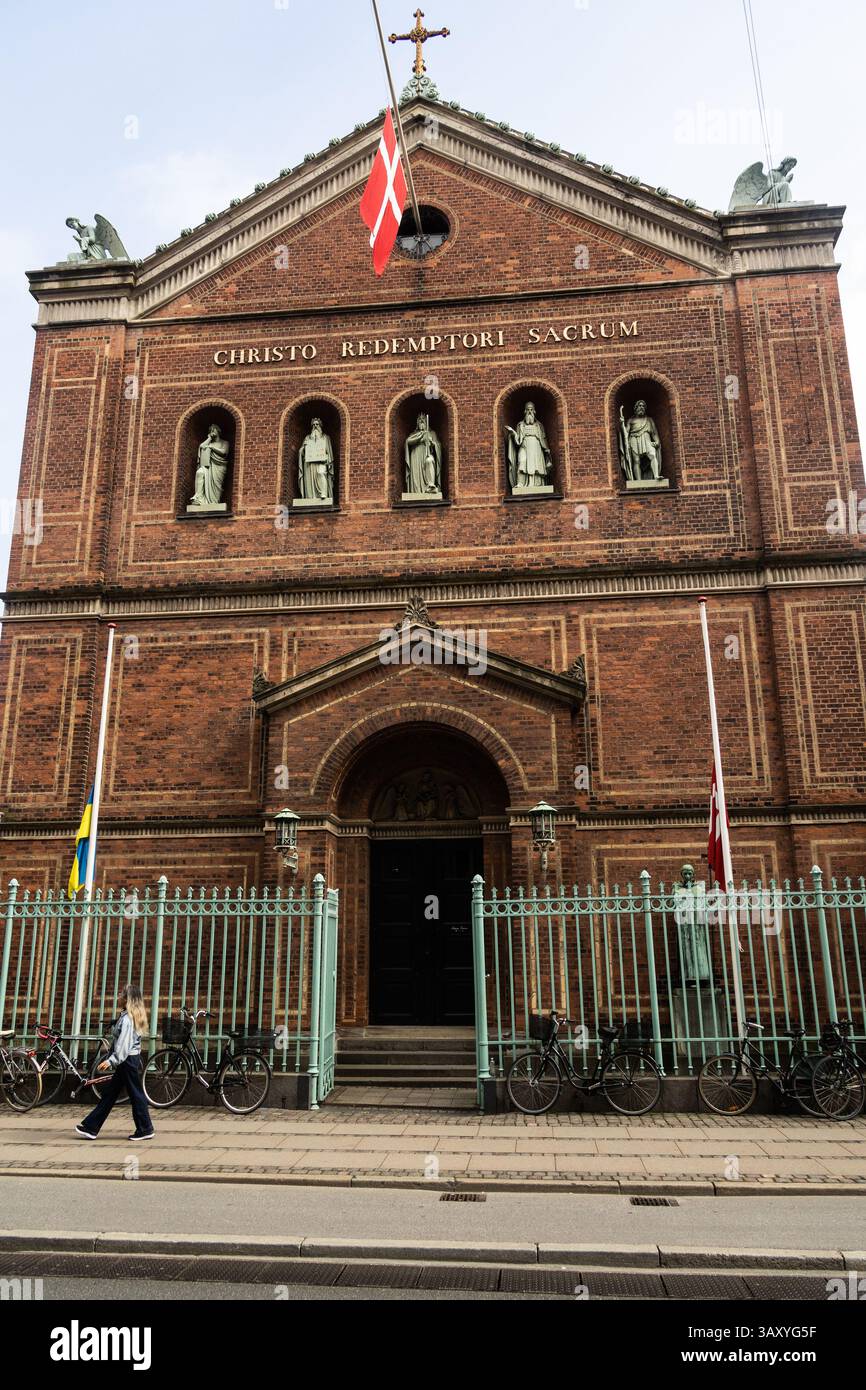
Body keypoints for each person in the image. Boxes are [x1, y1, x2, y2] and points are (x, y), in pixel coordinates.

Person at [75, 983, 154, 1142]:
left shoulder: (128, 1019)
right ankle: (91, 1127)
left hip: (127, 1061)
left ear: (127, 999)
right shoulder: (127, 1016)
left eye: (121, 995)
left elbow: (124, 1045)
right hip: (128, 1060)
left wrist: (111, 1060)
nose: (118, 997)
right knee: (110, 1095)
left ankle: (145, 1128)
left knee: (134, 1094)